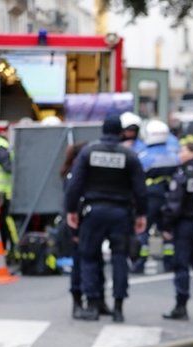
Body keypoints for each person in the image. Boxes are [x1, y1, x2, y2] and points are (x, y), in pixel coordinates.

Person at [65, 113, 147, 322]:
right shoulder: (129, 155)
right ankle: (118, 307)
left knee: (89, 257)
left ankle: (92, 305)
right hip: (121, 213)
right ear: (120, 132)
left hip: (93, 212)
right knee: (120, 258)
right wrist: (142, 214)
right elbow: (140, 189)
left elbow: (75, 185)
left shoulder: (88, 152)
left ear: (103, 130)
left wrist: (71, 210)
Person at [160, 142, 193, 320]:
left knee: (181, 266)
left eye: (183, 150)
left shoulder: (182, 174)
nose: (180, 153)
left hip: (184, 225)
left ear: (192, 153)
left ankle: (181, 306)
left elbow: (174, 204)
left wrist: (166, 225)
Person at [61, 141, 108, 318]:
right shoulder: (74, 174)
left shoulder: (83, 172)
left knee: (96, 262)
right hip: (77, 224)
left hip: (88, 223)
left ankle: (99, 300)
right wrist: (74, 232)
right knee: (80, 264)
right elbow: (72, 203)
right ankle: (78, 302)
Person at [134, 119, 180, 274]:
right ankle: (170, 262)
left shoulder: (143, 156)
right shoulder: (174, 155)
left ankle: (140, 262)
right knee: (167, 230)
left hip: (150, 197)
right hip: (169, 197)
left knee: (143, 229)